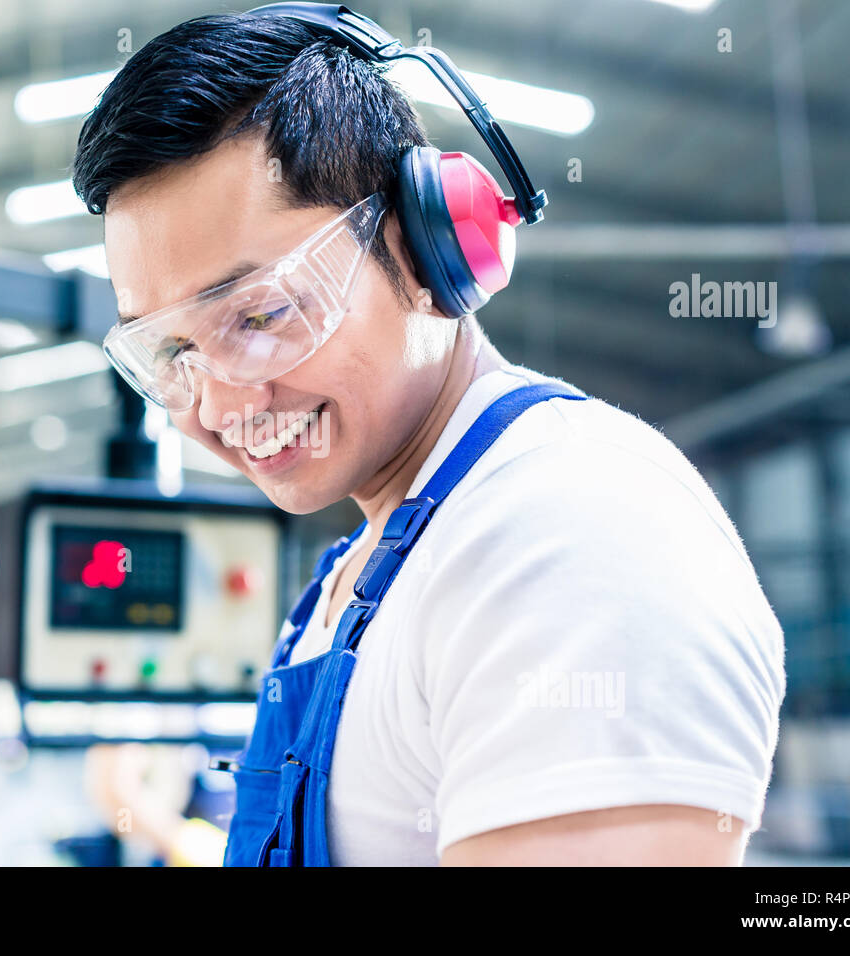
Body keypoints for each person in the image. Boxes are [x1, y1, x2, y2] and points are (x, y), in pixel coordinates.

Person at [71, 6, 786, 866]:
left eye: (259, 314)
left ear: (426, 243)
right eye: (173, 350)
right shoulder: (360, 574)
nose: (222, 405)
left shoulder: (570, 533)